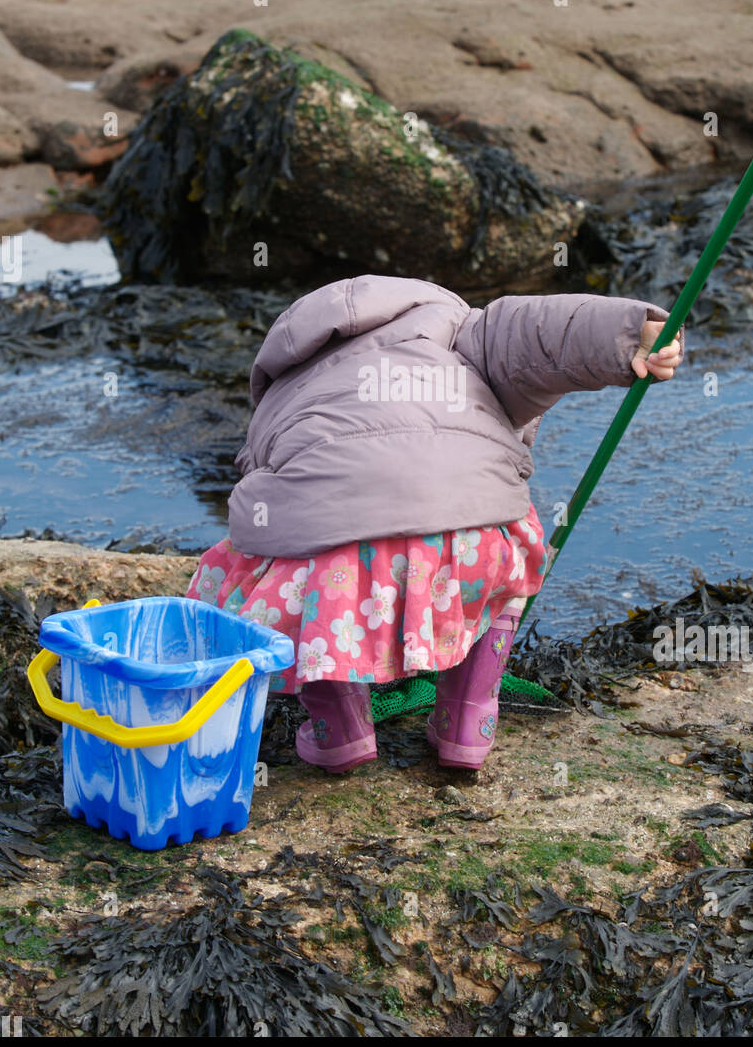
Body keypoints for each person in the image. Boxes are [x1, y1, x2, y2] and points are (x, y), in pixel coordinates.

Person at [187, 275, 684, 773]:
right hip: (470, 538)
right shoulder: (457, 329)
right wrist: (629, 336)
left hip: (331, 558)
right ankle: (466, 720)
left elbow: (257, 474)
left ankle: (338, 728)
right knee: (511, 556)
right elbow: (538, 331)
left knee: (296, 571)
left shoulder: (291, 380)